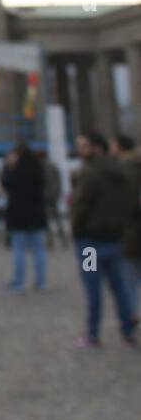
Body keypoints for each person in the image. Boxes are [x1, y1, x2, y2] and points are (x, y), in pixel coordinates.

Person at [69, 132, 136, 348]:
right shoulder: (123, 172)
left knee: (92, 288)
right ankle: (128, 332)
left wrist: (76, 230)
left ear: (97, 147)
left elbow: (81, 207)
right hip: (115, 239)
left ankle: (92, 334)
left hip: (90, 243)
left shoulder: (89, 174)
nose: (80, 150)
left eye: (84, 145)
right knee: (120, 288)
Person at [1, 142, 47, 292]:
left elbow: (6, 183)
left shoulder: (17, 171)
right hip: (37, 214)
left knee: (19, 250)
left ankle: (19, 282)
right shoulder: (38, 169)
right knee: (39, 250)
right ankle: (41, 282)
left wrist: (8, 167)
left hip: (19, 214)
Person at [111, 135, 141, 316]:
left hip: (130, 230)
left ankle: (132, 314)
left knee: (129, 275)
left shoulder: (125, 169)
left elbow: (124, 203)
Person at [39, 150, 68, 248]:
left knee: (47, 220)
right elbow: (58, 182)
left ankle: (49, 240)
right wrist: (57, 194)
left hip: (45, 196)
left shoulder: (41, 168)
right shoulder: (53, 167)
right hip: (54, 196)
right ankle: (63, 238)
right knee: (57, 218)